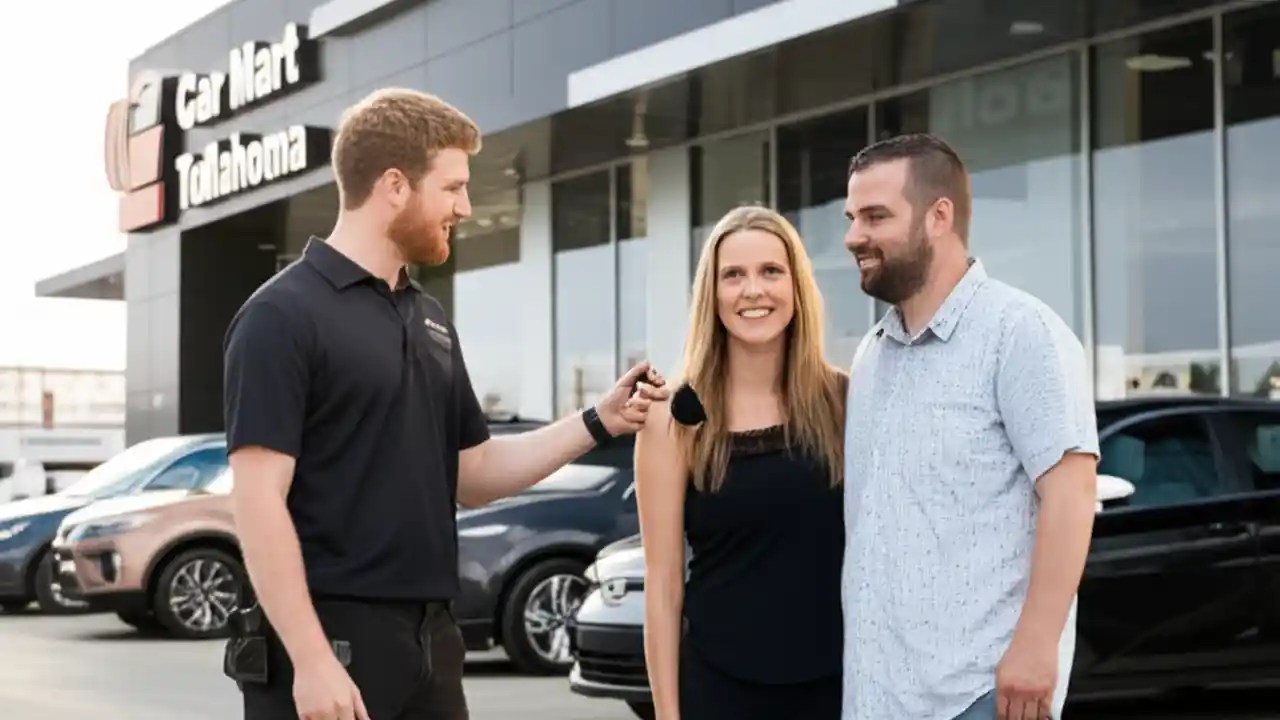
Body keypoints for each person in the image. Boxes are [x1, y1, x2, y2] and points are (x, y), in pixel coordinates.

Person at [221, 88, 668, 720]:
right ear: (396, 186)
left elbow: (474, 474)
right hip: (332, 647)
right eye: (453, 187)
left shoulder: (427, 318)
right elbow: (257, 499)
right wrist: (313, 659)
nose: (464, 206)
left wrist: (599, 421)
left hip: (431, 643)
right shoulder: (280, 315)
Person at [840, 133, 1099, 720]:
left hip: (979, 694)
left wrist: (1035, 648)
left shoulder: (1019, 332)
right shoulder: (872, 356)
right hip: (876, 697)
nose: (855, 236)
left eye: (876, 216)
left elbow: (1071, 493)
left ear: (939, 216)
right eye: (852, 217)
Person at [634, 205, 848, 720]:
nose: (754, 290)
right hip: (718, 690)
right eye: (734, 275)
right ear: (712, 294)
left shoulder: (845, 400)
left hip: (838, 687)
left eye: (771, 271)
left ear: (796, 288)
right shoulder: (671, 417)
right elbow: (663, 588)